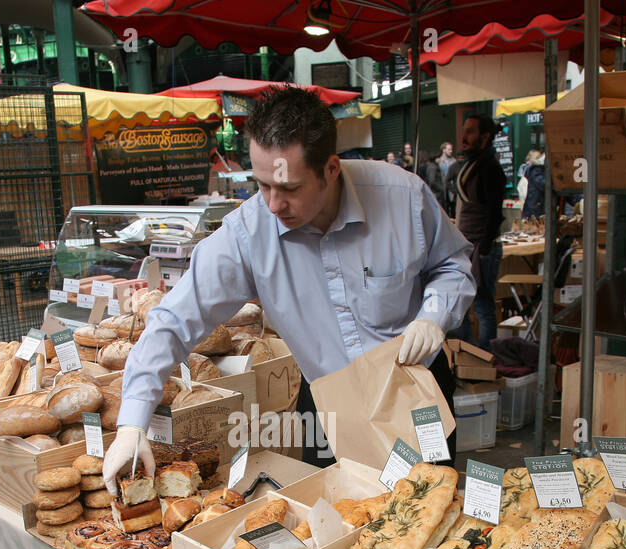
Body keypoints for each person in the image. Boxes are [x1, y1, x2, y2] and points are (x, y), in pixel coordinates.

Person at [102, 87, 474, 486]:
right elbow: (173, 321)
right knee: (339, 532)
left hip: (415, 389)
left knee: (428, 517)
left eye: (290, 189)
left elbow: (453, 264)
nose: (274, 205)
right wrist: (132, 424)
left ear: (331, 169)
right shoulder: (248, 232)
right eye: (263, 185)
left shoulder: (402, 197)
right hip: (329, 406)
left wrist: (434, 315)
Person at [455, 112, 507, 351]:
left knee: (483, 307)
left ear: (485, 136)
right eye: (465, 131)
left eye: (471, 131)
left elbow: (495, 212)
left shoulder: (490, 168)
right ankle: (467, 356)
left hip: (481, 247)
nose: (464, 136)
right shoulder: (473, 164)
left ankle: (484, 359)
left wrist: (484, 249)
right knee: (462, 306)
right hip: (468, 245)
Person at [521, 148, 547, 219]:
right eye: (538, 157)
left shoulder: (534, 169)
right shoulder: (536, 170)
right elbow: (543, 185)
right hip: (535, 208)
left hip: (533, 207)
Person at [438, 141, 456, 215]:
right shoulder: (439, 161)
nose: (451, 151)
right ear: (444, 150)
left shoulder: (454, 161)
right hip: (442, 186)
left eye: (451, 149)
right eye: (449, 149)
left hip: (450, 186)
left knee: (452, 205)